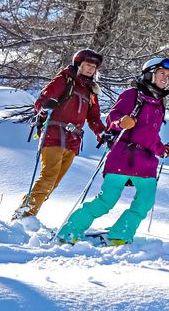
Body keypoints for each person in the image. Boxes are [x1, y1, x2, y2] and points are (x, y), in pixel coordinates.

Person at [57, 57, 169, 245]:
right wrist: (121, 122)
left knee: (145, 202)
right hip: (123, 156)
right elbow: (113, 116)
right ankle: (70, 231)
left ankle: (120, 234)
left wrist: (161, 149)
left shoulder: (160, 104)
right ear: (149, 74)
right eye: (162, 73)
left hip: (145, 162)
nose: (166, 78)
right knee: (107, 201)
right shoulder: (132, 95)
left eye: (168, 76)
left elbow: (151, 135)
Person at [14, 49, 107, 220]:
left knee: (53, 183)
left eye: (93, 67)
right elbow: (42, 101)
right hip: (53, 135)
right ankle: (25, 215)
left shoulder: (91, 91)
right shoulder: (65, 79)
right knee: (48, 177)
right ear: (78, 64)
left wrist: (102, 133)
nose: (90, 70)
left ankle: (26, 212)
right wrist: (44, 107)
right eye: (87, 65)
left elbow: (93, 118)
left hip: (73, 142)